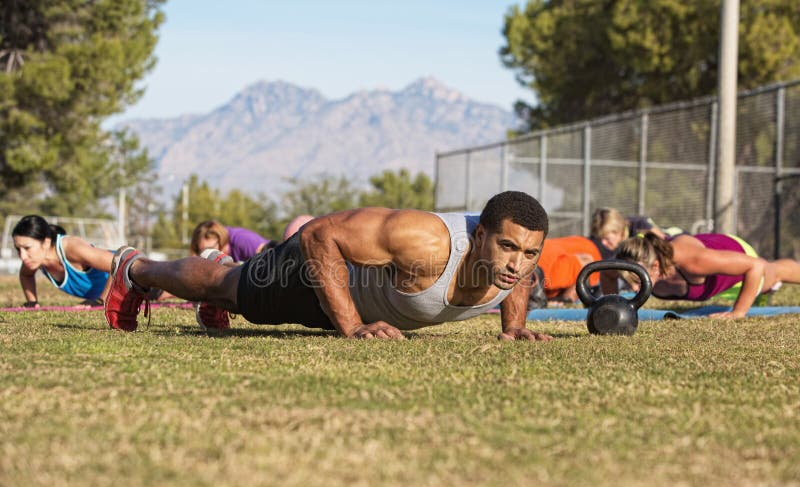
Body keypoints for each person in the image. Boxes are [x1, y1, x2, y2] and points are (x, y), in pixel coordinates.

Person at [104, 191, 553, 340]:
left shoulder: (516, 258)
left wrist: (512, 327)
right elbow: (320, 235)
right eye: (508, 247)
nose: (518, 264)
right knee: (225, 286)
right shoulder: (428, 242)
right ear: (479, 235)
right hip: (314, 275)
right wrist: (353, 327)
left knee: (231, 289)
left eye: (529, 253)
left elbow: (518, 275)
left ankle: (217, 271)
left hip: (355, 301)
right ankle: (136, 270)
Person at [613, 232, 800, 318]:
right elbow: (608, 276)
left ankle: (764, 286)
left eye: (638, 280)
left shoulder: (693, 261)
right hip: (712, 268)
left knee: (774, 273)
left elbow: (755, 266)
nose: (634, 289)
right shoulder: (630, 262)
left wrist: (737, 313)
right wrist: (610, 301)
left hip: (737, 254)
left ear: (656, 266)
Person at [11, 215, 164, 307]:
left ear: (45, 242)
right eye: (18, 249)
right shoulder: (35, 260)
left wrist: (101, 301)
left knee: (172, 286)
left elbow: (118, 263)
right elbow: (26, 275)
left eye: (27, 248)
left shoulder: (70, 247)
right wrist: (32, 302)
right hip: (124, 289)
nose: (23, 256)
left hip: (135, 272)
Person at [189, 220, 275, 262]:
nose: (205, 255)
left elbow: (270, 259)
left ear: (220, 239)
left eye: (210, 249)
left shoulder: (243, 240)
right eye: (201, 251)